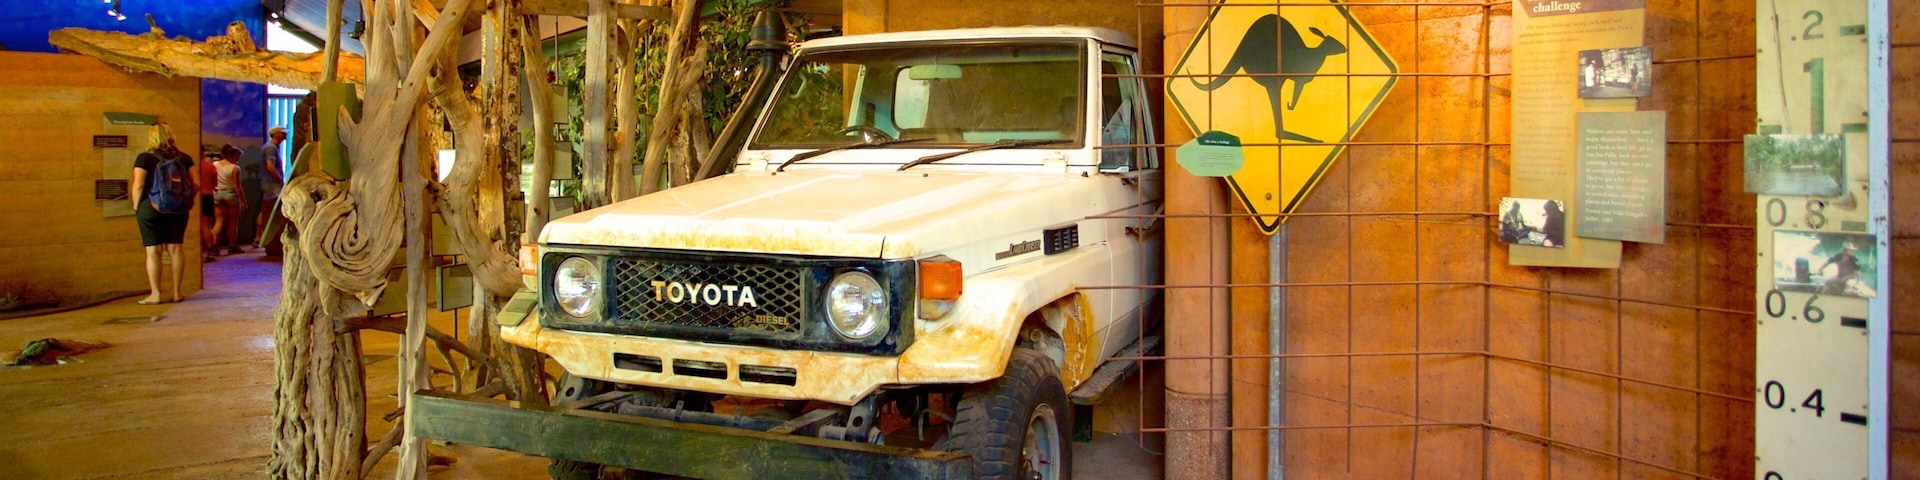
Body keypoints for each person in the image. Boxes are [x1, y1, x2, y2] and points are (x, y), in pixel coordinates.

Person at [131, 123, 195, 304]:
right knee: (176, 249)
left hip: (150, 208)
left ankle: (156, 294)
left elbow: (139, 185)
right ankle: (176, 293)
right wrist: (185, 201)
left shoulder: (144, 158)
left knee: (153, 251)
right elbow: (195, 184)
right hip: (179, 208)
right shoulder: (185, 158)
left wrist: (137, 206)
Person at [255, 127, 287, 244]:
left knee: (265, 210)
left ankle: (259, 236)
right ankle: (270, 239)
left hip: (268, 183)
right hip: (272, 184)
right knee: (273, 211)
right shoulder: (271, 148)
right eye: (283, 133)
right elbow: (270, 167)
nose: (285, 135)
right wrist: (280, 181)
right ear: (277, 134)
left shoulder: (271, 147)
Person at [212, 145, 246, 255]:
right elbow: (237, 186)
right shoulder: (235, 168)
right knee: (232, 223)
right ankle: (232, 246)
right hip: (231, 195)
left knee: (219, 221)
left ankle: (213, 246)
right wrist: (243, 201)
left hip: (217, 193)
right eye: (237, 156)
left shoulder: (215, 165)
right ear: (233, 155)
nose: (238, 159)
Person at [198, 149, 220, 262]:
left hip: (195, 196)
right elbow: (215, 183)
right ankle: (211, 250)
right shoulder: (210, 166)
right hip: (207, 196)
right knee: (207, 225)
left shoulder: (192, 166)